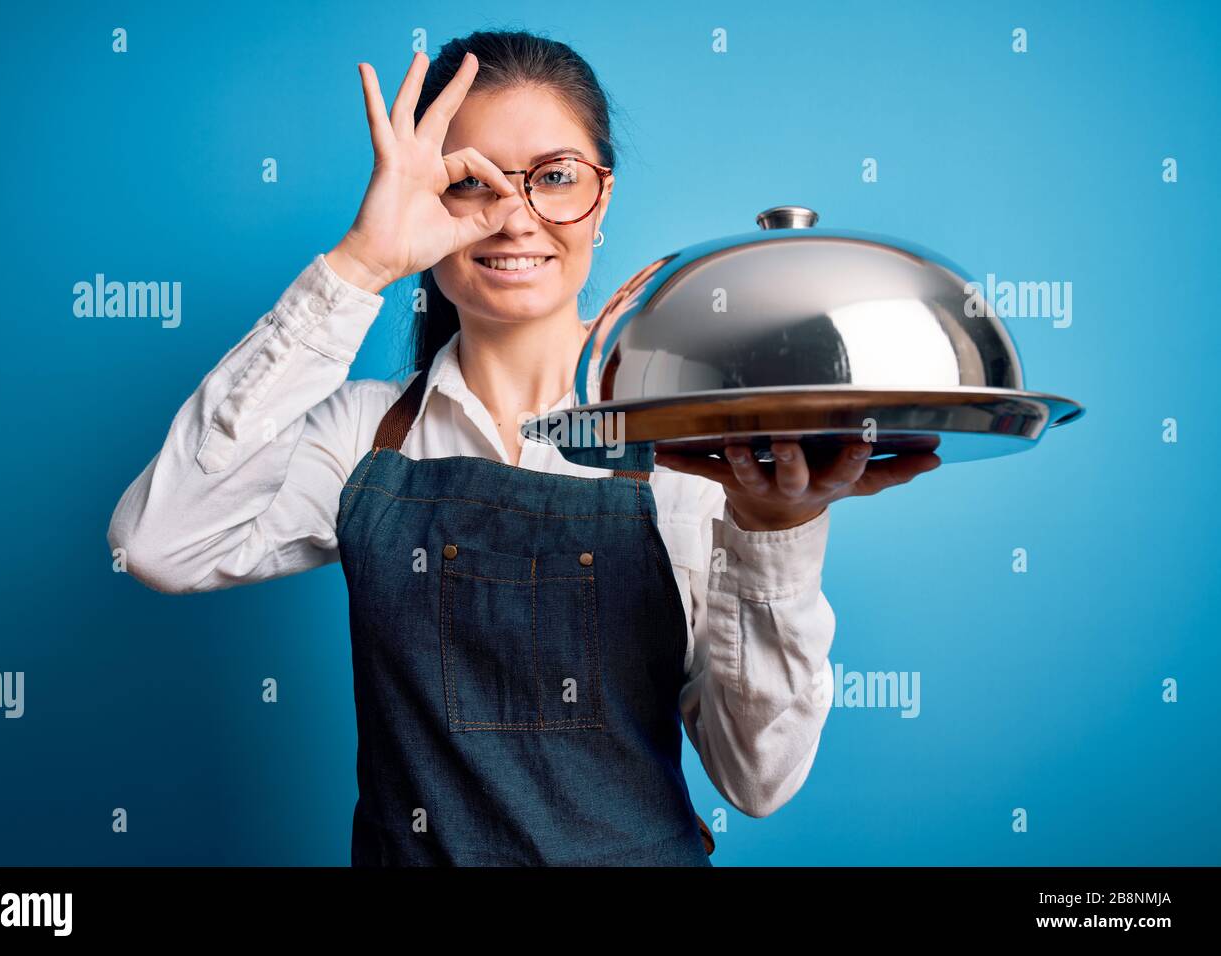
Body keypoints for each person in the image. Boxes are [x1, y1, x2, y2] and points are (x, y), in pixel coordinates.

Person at [106, 29, 940, 866]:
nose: (516, 217)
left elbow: (759, 780)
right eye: (471, 184)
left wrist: (773, 537)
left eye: (555, 177)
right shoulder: (361, 433)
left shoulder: (688, 448)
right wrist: (360, 265)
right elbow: (159, 543)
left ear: (601, 195)